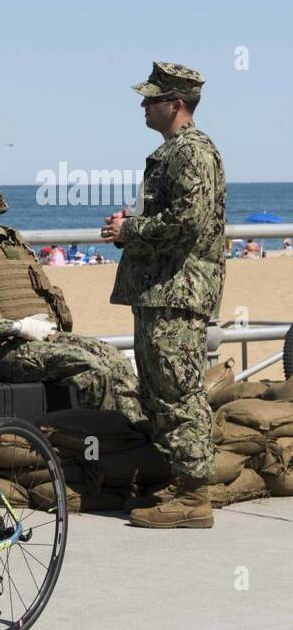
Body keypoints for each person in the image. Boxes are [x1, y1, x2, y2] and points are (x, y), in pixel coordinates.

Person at [103, 62, 226, 530]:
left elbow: (186, 224)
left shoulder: (191, 152)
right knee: (159, 390)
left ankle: (194, 496)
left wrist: (128, 229)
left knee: (177, 391)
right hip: (161, 291)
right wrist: (129, 230)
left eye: (151, 99)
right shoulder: (176, 151)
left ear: (176, 104)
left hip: (178, 291)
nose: (143, 105)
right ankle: (181, 482)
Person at [0, 223, 145, 424]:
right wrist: (20, 327)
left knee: (117, 360)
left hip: (40, 336)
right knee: (91, 368)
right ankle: (103, 443)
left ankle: (133, 435)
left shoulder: (12, 240)